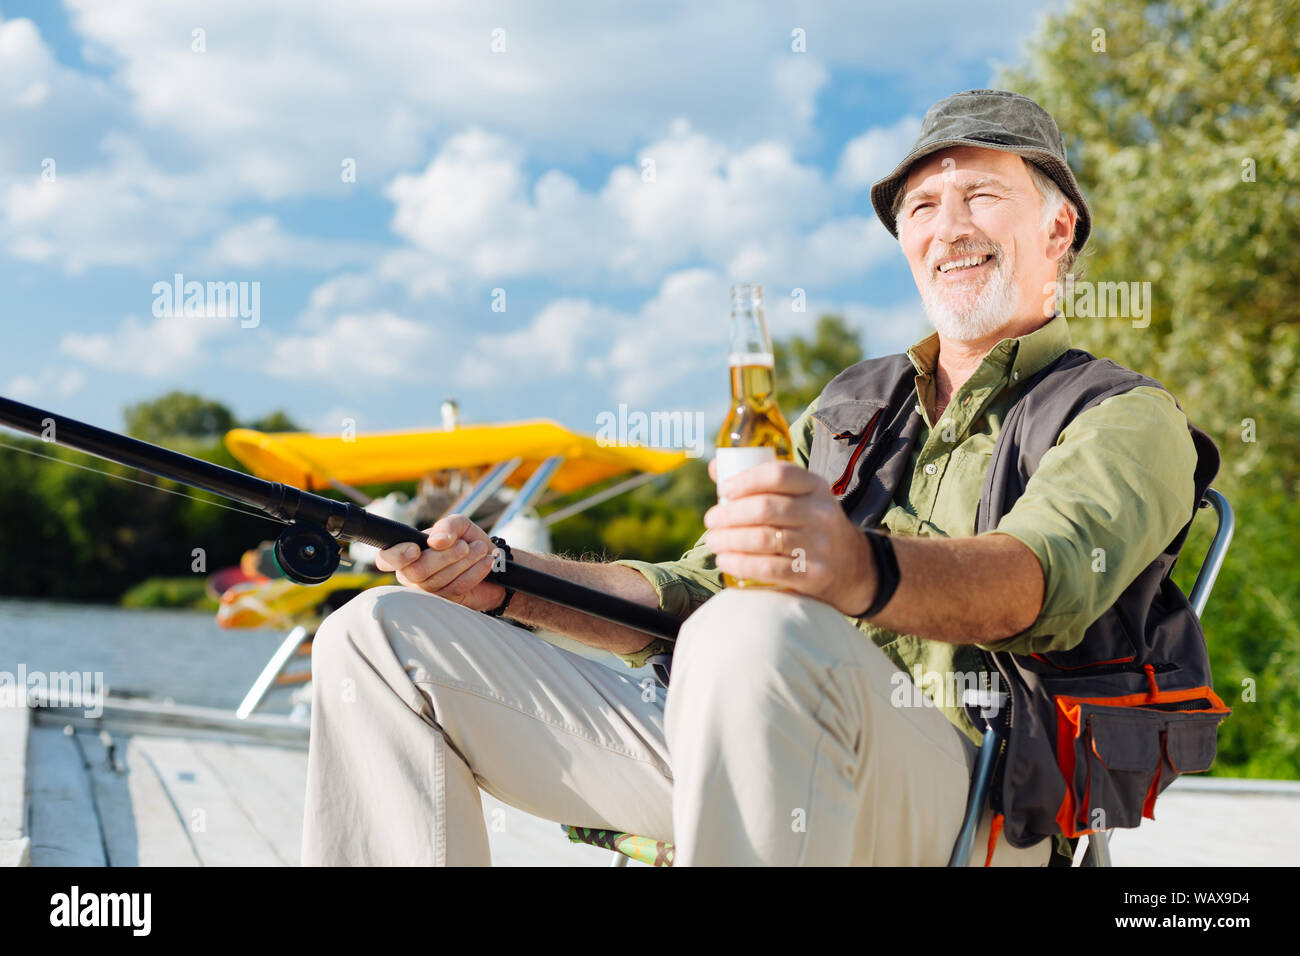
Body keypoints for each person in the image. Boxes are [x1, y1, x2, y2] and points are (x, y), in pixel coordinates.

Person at [301, 89, 1217, 866]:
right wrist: (500, 578)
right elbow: (694, 588)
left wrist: (849, 566)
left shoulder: (1125, 415)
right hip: (753, 728)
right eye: (922, 208)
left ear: (1058, 226)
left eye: (981, 194)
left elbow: (1034, 583)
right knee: (375, 637)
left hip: (976, 794)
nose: (949, 227)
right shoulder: (853, 403)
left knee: (752, 628)